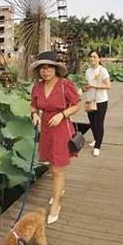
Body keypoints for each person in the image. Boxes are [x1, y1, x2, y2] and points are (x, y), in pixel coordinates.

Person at [30, 51, 81, 224]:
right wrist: (35, 115)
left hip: (61, 128)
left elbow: (77, 105)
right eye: (42, 68)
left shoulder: (64, 84)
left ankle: (56, 204)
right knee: (52, 165)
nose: (46, 71)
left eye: (49, 67)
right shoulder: (37, 87)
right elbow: (33, 106)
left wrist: (62, 114)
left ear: (56, 69)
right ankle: (59, 191)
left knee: (58, 168)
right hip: (46, 128)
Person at [83, 50, 111, 157]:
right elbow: (88, 85)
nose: (92, 59)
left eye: (94, 57)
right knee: (93, 123)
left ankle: (97, 146)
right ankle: (96, 139)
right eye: (90, 56)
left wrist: (93, 86)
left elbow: (108, 86)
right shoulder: (88, 71)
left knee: (99, 123)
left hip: (101, 101)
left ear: (99, 58)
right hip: (90, 100)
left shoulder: (102, 70)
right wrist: (85, 88)